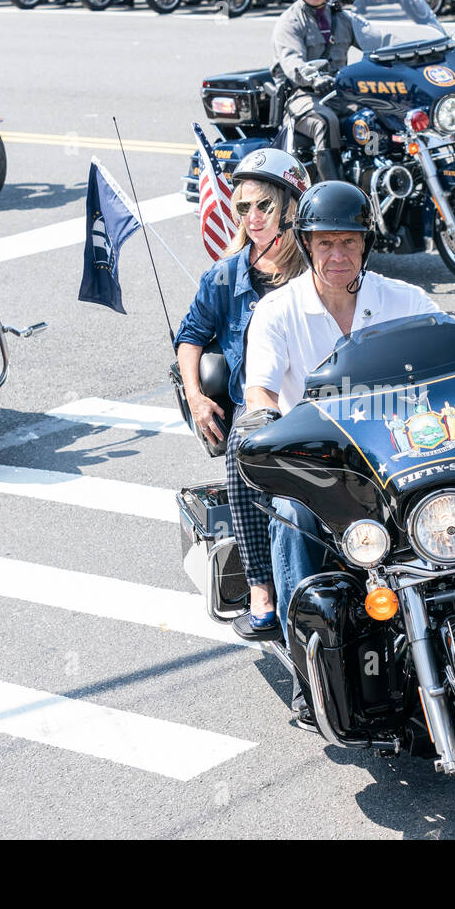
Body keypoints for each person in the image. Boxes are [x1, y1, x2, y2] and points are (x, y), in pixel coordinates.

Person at [237, 180, 442, 647]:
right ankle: (308, 653)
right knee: (293, 513)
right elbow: (261, 390)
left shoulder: (404, 300)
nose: (337, 255)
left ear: (366, 244)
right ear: (306, 245)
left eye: (348, 241)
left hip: (398, 452)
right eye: (325, 243)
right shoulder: (277, 311)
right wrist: (265, 418)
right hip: (317, 464)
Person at [173, 148, 310, 630]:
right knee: (243, 448)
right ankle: (260, 586)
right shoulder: (226, 275)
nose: (252, 218)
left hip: (326, 402)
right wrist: (195, 394)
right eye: (242, 208)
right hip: (260, 408)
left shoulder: (321, 266)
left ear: (291, 208)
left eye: (263, 206)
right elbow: (189, 335)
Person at [271, 0, 364, 183]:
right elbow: (292, 62)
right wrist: (314, 78)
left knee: (376, 114)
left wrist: (415, 51)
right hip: (301, 96)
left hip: (338, 94)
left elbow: (376, 40)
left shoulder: (342, 18)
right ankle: (336, 195)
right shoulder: (290, 22)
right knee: (324, 121)